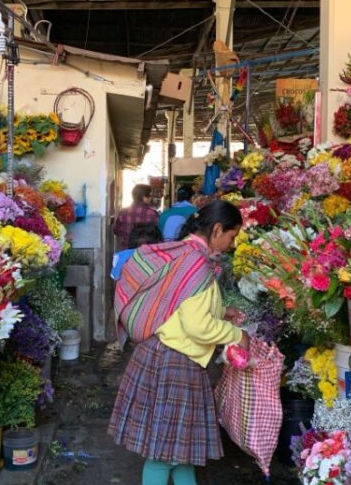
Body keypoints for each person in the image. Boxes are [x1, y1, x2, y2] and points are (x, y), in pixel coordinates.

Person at [109, 200, 249, 485]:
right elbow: (197, 326)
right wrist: (238, 335)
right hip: (174, 364)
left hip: (163, 357)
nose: (231, 244)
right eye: (231, 237)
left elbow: (179, 303)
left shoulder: (183, 253)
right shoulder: (197, 262)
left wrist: (222, 312)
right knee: (164, 457)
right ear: (218, 229)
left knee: (180, 454)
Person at [113, 184, 159, 250]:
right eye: (150, 195)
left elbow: (116, 230)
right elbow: (157, 235)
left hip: (126, 251)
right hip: (144, 253)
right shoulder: (151, 213)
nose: (151, 198)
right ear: (144, 197)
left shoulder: (123, 212)